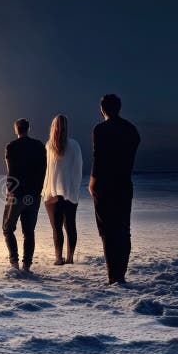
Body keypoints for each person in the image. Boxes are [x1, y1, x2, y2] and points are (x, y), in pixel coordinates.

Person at [88, 94, 140, 284]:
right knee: (123, 229)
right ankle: (121, 274)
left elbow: (98, 157)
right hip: (124, 184)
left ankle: (113, 275)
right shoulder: (131, 130)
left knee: (107, 231)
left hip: (104, 186)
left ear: (102, 110)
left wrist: (92, 182)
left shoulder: (101, 129)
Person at [2, 118, 46, 271]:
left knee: (8, 228)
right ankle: (27, 264)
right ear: (28, 129)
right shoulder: (39, 146)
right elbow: (43, 170)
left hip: (17, 194)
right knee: (28, 231)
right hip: (33, 194)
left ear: (16, 130)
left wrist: (11, 190)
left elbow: (11, 171)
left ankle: (14, 262)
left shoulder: (11, 146)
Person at [42, 114, 83, 265]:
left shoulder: (48, 146)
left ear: (53, 127)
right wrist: (74, 189)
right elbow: (78, 170)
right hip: (69, 193)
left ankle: (59, 259)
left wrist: (44, 191)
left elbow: (46, 171)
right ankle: (70, 258)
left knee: (57, 228)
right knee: (70, 225)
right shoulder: (75, 145)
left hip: (52, 193)